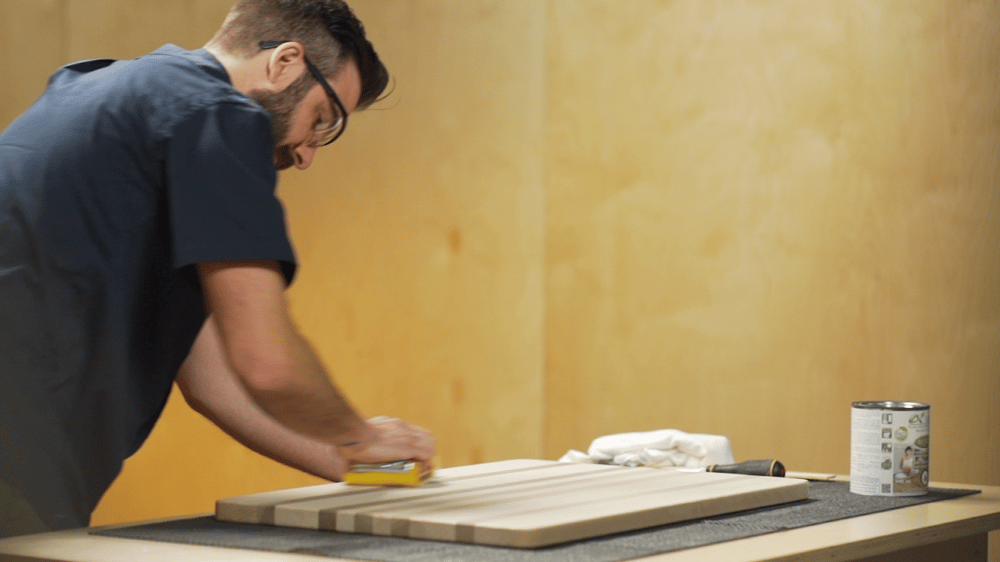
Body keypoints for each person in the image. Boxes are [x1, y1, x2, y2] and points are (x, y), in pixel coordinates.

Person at [0, 0, 435, 538]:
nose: (307, 155)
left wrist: (364, 465)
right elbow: (267, 363)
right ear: (286, 62)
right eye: (322, 121)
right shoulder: (217, 114)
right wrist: (361, 436)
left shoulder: (102, 90)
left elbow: (213, 381)